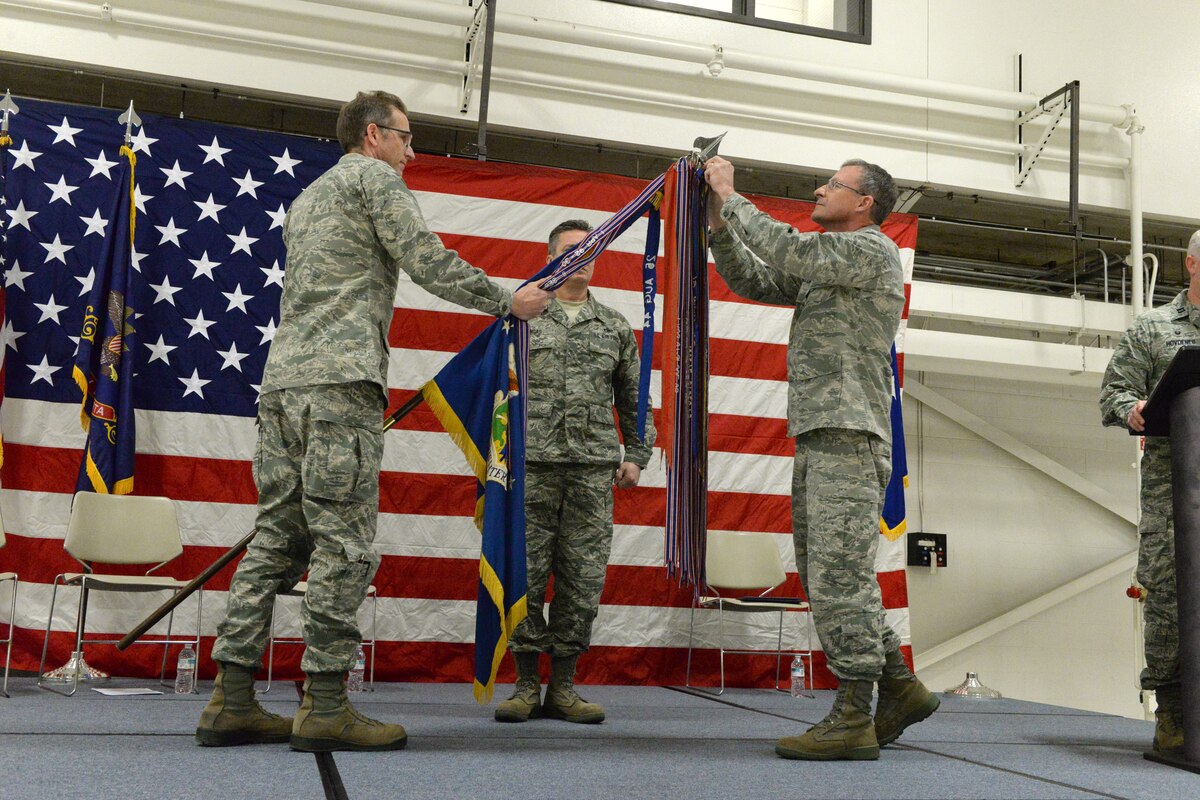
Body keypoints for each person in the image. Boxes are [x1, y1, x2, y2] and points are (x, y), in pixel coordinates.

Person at [195, 90, 554, 752]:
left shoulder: (309, 198)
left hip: (283, 387)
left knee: (274, 540)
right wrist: (507, 300)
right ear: (372, 135)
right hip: (340, 385)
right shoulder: (374, 180)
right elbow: (426, 258)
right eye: (406, 138)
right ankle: (326, 704)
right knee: (343, 544)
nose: (411, 153)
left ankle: (231, 699)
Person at [702, 157, 937, 761]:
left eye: (833, 184)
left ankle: (854, 714)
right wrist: (718, 227)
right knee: (826, 574)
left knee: (838, 577)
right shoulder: (832, 262)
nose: (818, 189)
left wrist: (731, 195)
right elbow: (757, 281)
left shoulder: (870, 250)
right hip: (824, 432)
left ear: (864, 202)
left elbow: (785, 248)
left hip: (849, 434)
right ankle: (900, 687)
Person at [493, 220, 656, 725]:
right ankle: (525, 685)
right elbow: (493, 390)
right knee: (524, 576)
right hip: (529, 468)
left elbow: (634, 397)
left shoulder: (613, 326)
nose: (581, 258)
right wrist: (495, 455)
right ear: (551, 257)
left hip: (590, 470)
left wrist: (636, 453)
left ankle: (562, 687)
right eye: (570, 250)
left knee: (582, 580)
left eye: (589, 250)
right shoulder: (522, 317)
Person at [1099, 230, 1200, 756]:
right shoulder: (1154, 328)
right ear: (1191, 265)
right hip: (1175, 491)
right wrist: (1131, 409)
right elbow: (1114, 393)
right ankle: (1173, 712)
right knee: (1168, 597)